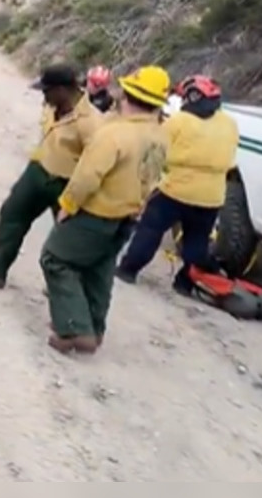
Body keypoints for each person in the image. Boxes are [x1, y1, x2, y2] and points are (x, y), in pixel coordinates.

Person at [41, 65, 171, 354]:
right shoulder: (161, 136)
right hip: (128, 217)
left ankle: (74, 329)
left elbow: (87, 177)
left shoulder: (113, 135)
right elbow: (157, 177)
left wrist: (67, 205)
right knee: (100, 268)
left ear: (125, 96)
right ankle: (94, 329)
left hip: (96, 214)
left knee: (56, 259)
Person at [0, 64, 103, 289]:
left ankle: (64, 295)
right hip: (37, 172)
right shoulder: (51, 106)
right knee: (11, 216)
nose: (43, 96)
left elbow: (95, 164)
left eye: (46, 91)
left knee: (65, 241)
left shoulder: (93, 123)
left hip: (66, 185)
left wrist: (74, 201)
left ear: (62, 90)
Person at [115, 75, 240, 295]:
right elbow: (231, 160)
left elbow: (157, 155)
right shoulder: (230, 124)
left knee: (150, 231)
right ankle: (184, 284)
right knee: (197, 242)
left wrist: (142, 183)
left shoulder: (178, 122)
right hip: (211, 196)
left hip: (175, 190)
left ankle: (128, 269)